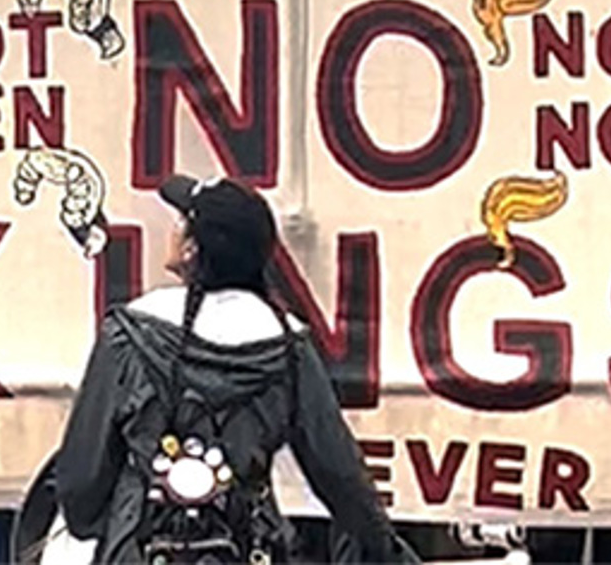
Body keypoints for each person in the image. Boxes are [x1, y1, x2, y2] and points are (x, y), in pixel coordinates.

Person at [54, 175, 410, 563]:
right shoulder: (290, 346)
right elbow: (341, 479)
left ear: (193, 247)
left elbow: (80, 486)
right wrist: (385, 549)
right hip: (248, 548)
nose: (171, 230)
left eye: (180, 221)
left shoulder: (129, 334)